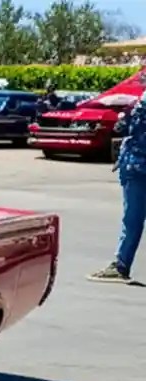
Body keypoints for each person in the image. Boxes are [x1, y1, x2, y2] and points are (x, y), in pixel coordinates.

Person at [89, 91, 146, 283]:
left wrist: (126, 116)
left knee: (132, 219)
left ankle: (121, 265)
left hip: (138, 166)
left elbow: (134, 130)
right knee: (132, 219)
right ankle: (121, 264)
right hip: (135, 164)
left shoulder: (141, 105)